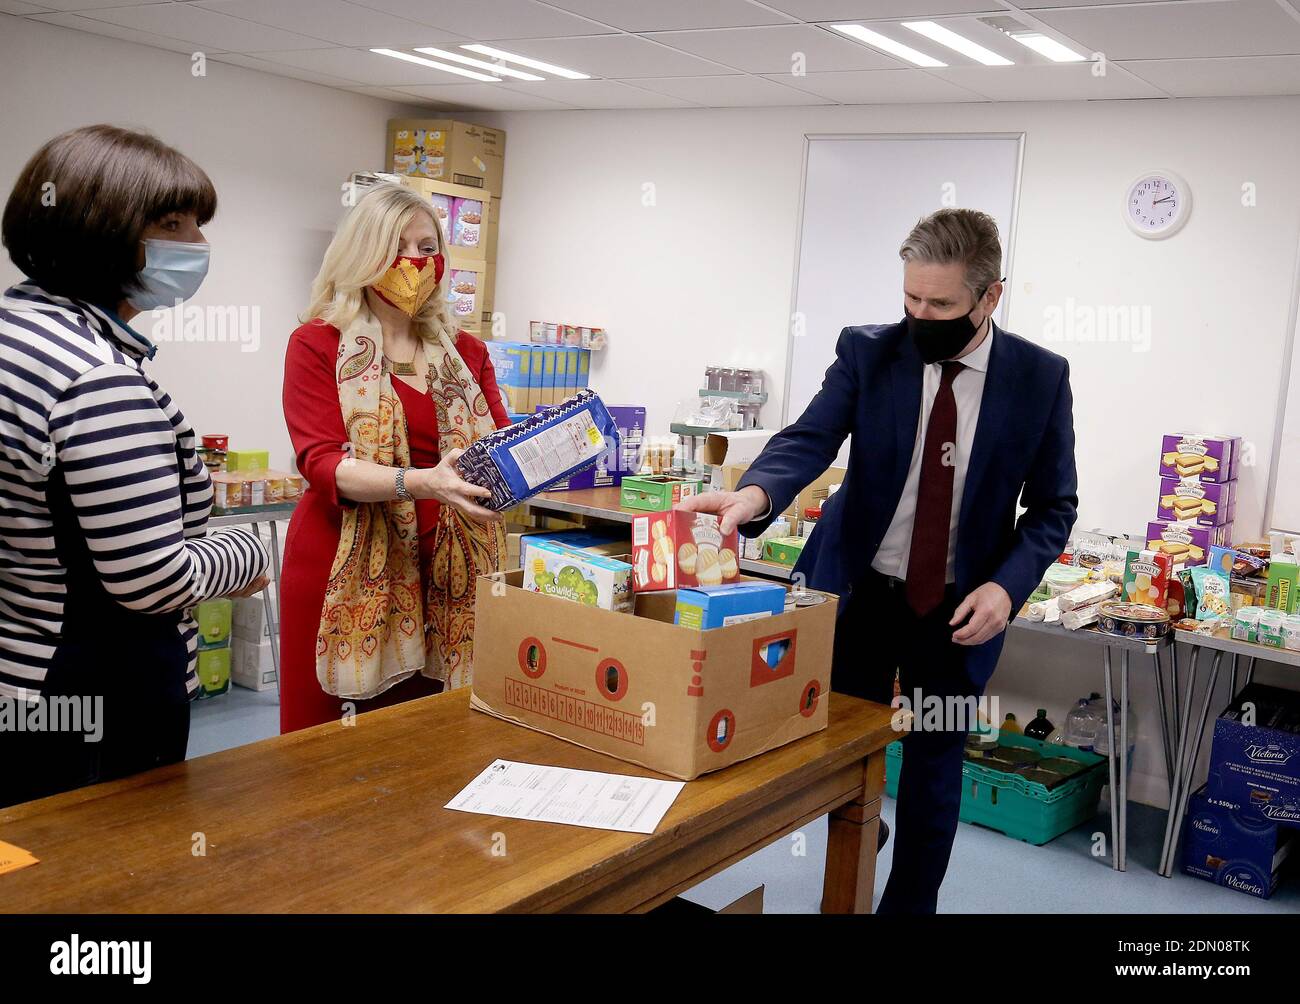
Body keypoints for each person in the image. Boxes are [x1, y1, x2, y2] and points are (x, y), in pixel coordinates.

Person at [679, 208, 1078, 914]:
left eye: (942, 304)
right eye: (911, 300)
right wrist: (753, 495)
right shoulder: (871, 352)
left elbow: (1053, 507)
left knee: (932, 773)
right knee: (825, 749)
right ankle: (861, 829)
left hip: (955, 610)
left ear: (991, 297)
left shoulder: (1039, 379)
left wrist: (1005, 589)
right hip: (857, 595)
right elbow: (812, 436)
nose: (922, 316)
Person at [0, 125, 270, 808]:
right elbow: (151, 580)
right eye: (174, 224)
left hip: (19, 674)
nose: (199, 248)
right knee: (103, 878)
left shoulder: (17, 334)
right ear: (101, 231)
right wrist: (247, 552)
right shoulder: (96, 379)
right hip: (91, 693)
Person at [279, 183, 509, 734]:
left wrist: (555, 449)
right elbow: (323, 462)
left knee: (432, 745)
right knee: (329, 755)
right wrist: (424, 482)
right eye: (397, 247)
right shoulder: (317, 344)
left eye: (428, 247)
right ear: (362, 256)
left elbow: (501, 446)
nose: (415, 261)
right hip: (344, 567)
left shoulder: (467, 352)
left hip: (452, 576)